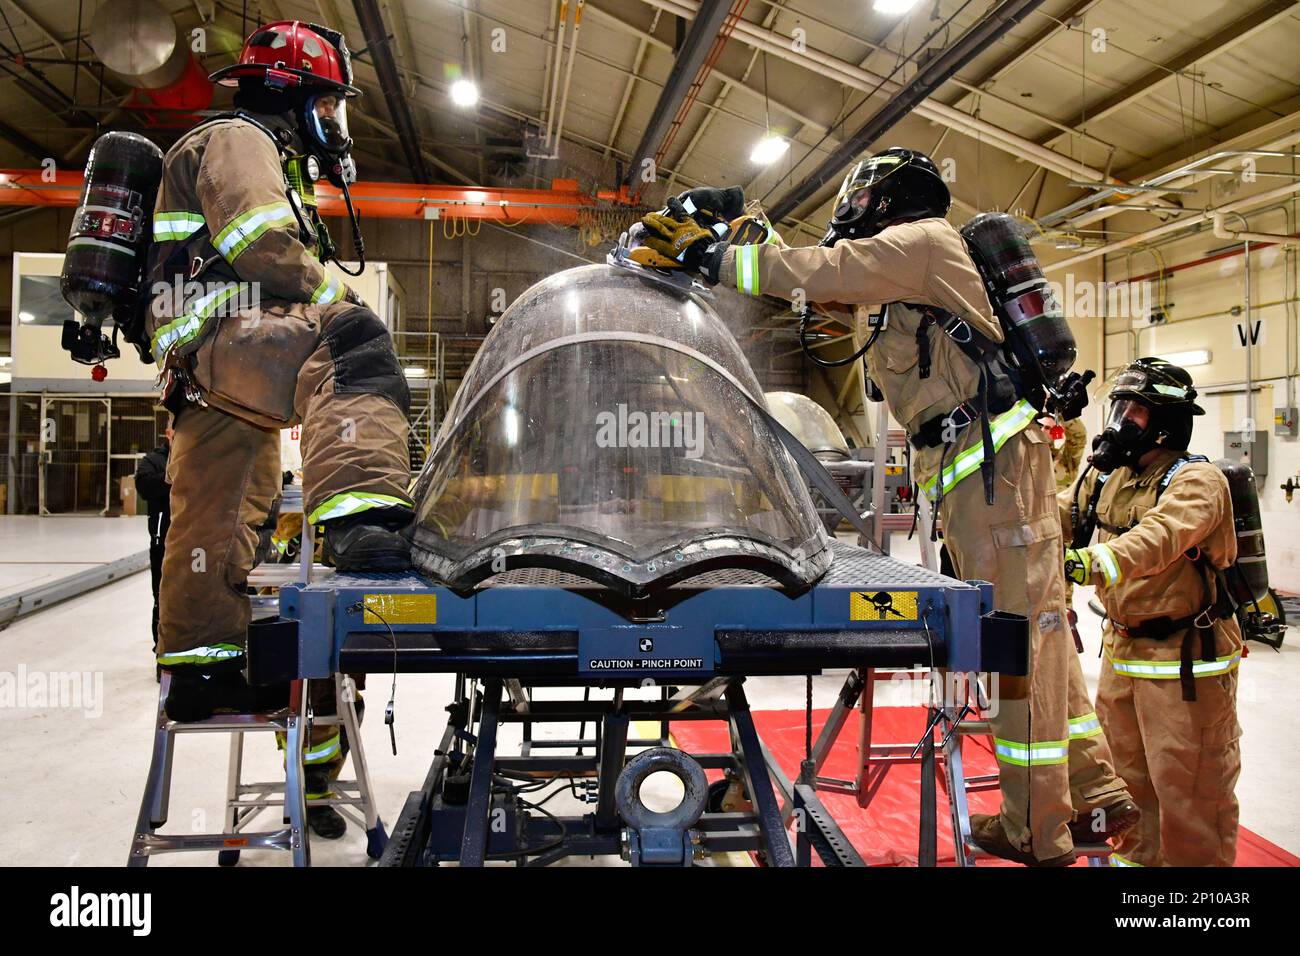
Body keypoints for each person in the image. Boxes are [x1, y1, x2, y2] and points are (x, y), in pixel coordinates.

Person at [634, 149, 1135, 865]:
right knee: (1042, 639)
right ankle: (1095, 791)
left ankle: (1039, 829)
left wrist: (712, 258)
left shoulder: (923, 243)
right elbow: (826, 288)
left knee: (1019, 651)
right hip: (982, 479)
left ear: (888, 198)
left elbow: (819, 273)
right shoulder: (902, 273)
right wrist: (747, 227)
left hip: (992, 477)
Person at [147, 20, 412, 722]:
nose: (332, 120)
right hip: (227, 332)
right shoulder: (242, 140)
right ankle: (364, 522)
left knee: (219, 513)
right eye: (326, 104)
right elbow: (257, 240)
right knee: (354, 340)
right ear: (290, 96)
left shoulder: (245, 148)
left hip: (202, 369)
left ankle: (201, 673)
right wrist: (340, 296)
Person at [1061, 357, 1241, 866]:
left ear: (1166, 421)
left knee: (1191, 796)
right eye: (1120, 406)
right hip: (1122, 658)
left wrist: (1090, 563)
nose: (1120, 421)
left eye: (1135, 410)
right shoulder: (1111, 478)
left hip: (1186, 665)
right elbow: (1062, 510)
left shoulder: (1198, 482)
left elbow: (1160, 538)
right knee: (1128, 790)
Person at [133, 423, 173, 662]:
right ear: (168, 433)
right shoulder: (154, 461)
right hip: (162, 542)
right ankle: (162, 654)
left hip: (192, 541)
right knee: (162, 597)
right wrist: (173, 476)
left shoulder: (196, 457)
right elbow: (144, 486)